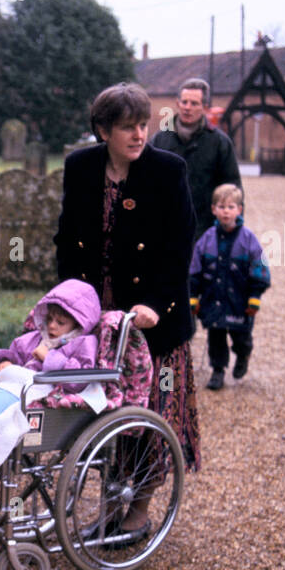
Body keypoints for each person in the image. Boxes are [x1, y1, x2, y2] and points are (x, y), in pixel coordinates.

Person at [54, 82, 201, 536]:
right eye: (126, 128)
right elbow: (67, 240)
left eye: (143, 125)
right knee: (103, 414)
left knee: (149, 417)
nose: (139, 135)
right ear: (102, 130)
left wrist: (156, 305)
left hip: (153, 321)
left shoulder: (167, 170)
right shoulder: (80, 166)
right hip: (99, 319)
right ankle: (113, 499)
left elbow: (180, 247)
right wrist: (69, 303)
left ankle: (139, 508)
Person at [189, 183, 271, 390]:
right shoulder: (206, 239)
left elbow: (260, 268)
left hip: (240, 302)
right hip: (212, 299)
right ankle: (218, 370)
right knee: (215, 337)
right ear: (213, 209)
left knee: (241, 336)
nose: (226, 211)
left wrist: (255, 297)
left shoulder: (249, 240)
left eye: (231, 207)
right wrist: (193, 297)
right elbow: (195, 270)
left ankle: (243, 354)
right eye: (221, 206)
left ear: (239, 210)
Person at [149, 77, 242, 236]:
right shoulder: (159, 139)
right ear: (177, 104)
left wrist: (233, 232)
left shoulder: (220, 143)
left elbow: (232, 188)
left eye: (194, 103)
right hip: (164, 228)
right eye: (184, 102)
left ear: (205, 108)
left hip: (205, 230)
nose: (187, 108)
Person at [0, 279, 101, 379]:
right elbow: (14, 354)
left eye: (60, 322)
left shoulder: (84, 343)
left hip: (45, 394)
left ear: (78, 325)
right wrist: (5, 363)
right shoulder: (33, 339)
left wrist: (49, 358)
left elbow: (82, 378)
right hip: (17, 389)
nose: (51, 326)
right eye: (49, 319)